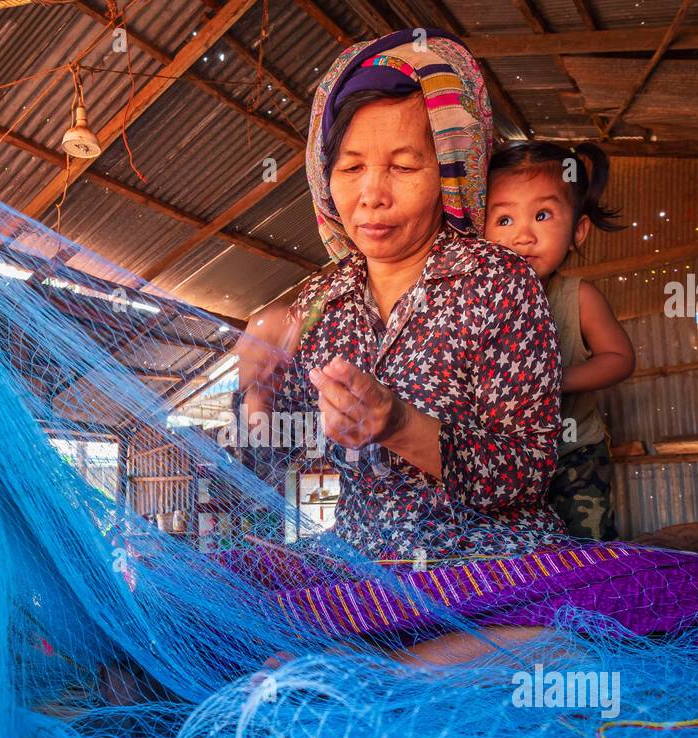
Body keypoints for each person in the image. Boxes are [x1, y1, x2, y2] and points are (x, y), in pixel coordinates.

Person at [236, 27, 564, 566]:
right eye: (351, 167)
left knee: (531, 643)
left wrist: (398, 425)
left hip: (488, 562)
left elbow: (524, 474)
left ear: (449, 172)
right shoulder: (320, 301)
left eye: (404, 167)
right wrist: (256, 393)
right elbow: (270, 457)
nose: (371, 195)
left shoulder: (499, 283)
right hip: (367, 563)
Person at [485, 143, 635, 540]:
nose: (522, 235)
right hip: (506, 460)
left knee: (584, 551)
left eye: (542, 215)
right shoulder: (473, 305)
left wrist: (555, 380)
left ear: (578, 231)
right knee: (521, 559)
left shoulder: (578, 297)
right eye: (502, 219)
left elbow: (620, 358)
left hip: (575, 456)